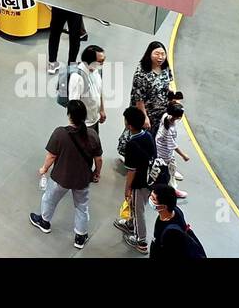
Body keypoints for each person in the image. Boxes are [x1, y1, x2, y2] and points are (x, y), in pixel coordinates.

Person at [32, 100, 102, 249]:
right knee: (82, 206)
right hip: (82, 179)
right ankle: (80, 236)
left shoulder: (60, 133)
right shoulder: (92, 135)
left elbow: (51, 156)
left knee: (50, 199)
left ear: (69, 115)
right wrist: (97, 172)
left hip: (61, 178)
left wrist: (44, 169)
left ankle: (44, 222)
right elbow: (98, 158)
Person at [115, 106, 156, 253]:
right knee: (135, 206)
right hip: (150, 179)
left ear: (129, 126)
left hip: (140, 183)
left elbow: (131, 171)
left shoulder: (132, 144)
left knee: (138, 210)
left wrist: (128, 188)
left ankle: (141, 241)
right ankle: (131, 224)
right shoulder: (148, 135)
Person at [148, 183, 205, 259]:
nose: (150, 199)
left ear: (164, 206)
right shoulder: (175, 211)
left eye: (153, 199)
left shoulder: (171, 233)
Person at [68, 44, 106, 153]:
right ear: (90, 61)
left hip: (94, 119)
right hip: (84, 124)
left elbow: (100, 91)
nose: (103, 63)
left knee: (92, 146)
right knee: (83, 150)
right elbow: (73, 105)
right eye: (100, 61)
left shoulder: (96, 70)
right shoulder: (77, 77)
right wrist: (77, 127)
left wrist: (102, 110)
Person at [155, 102, 191, 199]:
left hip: (161, 151)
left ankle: (171, 178)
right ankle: (172, 190)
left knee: (169, 169)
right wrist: (184, 155)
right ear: (178, 117)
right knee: (168, 173)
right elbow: (173, 146)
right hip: (165, 154)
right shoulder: (168, 130)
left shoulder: (165, 116)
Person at [45, 6, 87, 75]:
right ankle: (71, 65)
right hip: (75, 4)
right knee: (75, 36)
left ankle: (52, 63)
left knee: (55, 33)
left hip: (58, 3)